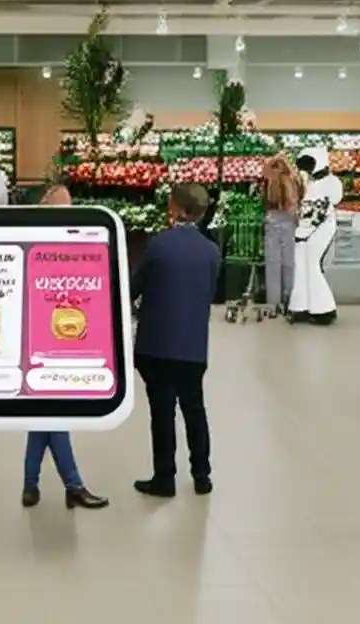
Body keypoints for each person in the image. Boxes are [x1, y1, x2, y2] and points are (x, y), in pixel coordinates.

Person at [21, 178, 107, 510]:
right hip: (42, 341)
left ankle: (31, 485)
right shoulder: (39, 247)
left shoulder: (70, 246)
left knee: (44, 416)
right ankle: (73, 485)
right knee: (54, 414)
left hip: (63, 340)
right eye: (64, 208)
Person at [131, 183, 221, 498]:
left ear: (175, 208)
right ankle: (202, 474)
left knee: (162, 412)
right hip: (193, 345)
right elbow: (209, 292)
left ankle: (164, 477)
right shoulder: (211, 250)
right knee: (194, 408)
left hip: (156, 343)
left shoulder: (158, 246)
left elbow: (134, 287)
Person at [289, 147, 344, 325]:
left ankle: (324, 309)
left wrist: (301, 233)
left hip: (320, 228)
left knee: (311, 265)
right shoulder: (318, 183)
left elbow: (317, 212)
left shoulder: (328, 183)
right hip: (309, 228)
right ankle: (301, 306)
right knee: (301, 266)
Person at [263, 155, 303, 314]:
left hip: (272, 220)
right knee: (289, 263)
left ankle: (273, 304)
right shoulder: (292, 181)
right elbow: (293, 205)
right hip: (289, 222)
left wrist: (275, 159)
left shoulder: (271, 182)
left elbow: (265, 169)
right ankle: (290, 300)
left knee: (273, 264)